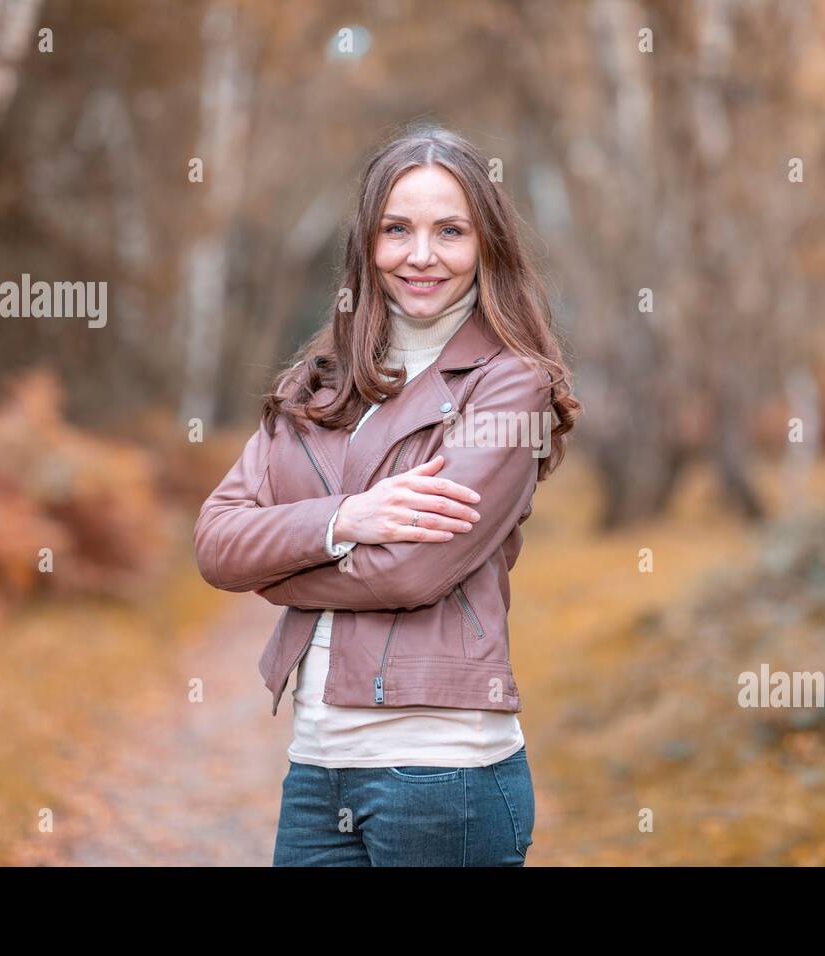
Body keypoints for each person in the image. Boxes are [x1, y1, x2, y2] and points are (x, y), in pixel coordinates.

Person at [193, 125, 580, 866]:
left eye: (451, 231)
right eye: (397, 229)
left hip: (444, 776)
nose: (422, 254)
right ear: (367, 246)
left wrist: (277, 562)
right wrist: (347, 519)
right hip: (316, 767)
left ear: (486, 245)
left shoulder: (511, 384)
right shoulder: (317, 381)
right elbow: (216, 541)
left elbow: (412, 571)